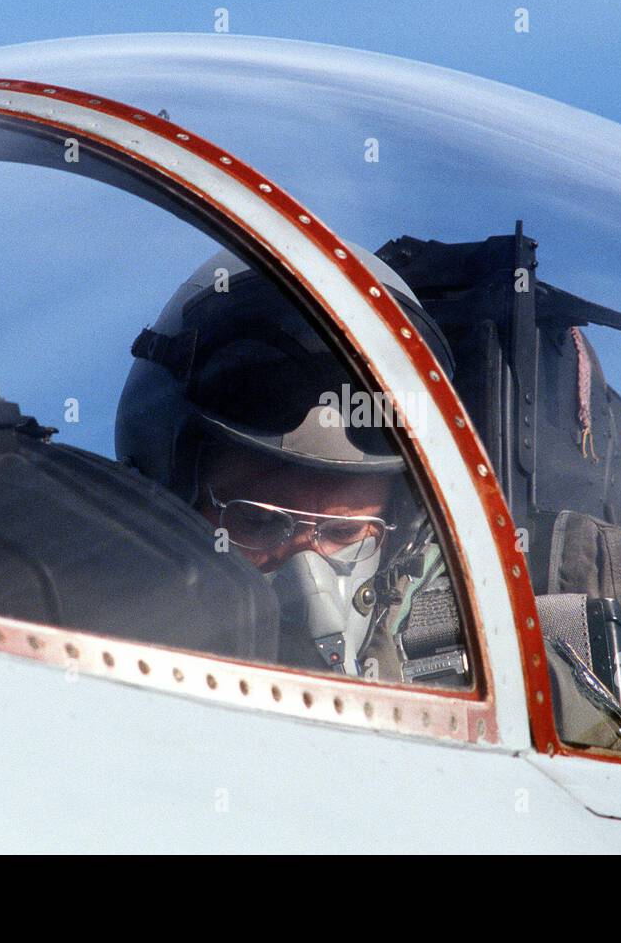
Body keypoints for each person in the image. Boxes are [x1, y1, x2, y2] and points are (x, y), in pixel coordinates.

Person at [114, 244, 468, 685]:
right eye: (257, 521)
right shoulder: (66, 634)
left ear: (398, 535)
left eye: (343, 533)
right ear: (169, 506)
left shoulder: (506, 674)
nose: (310, 586)